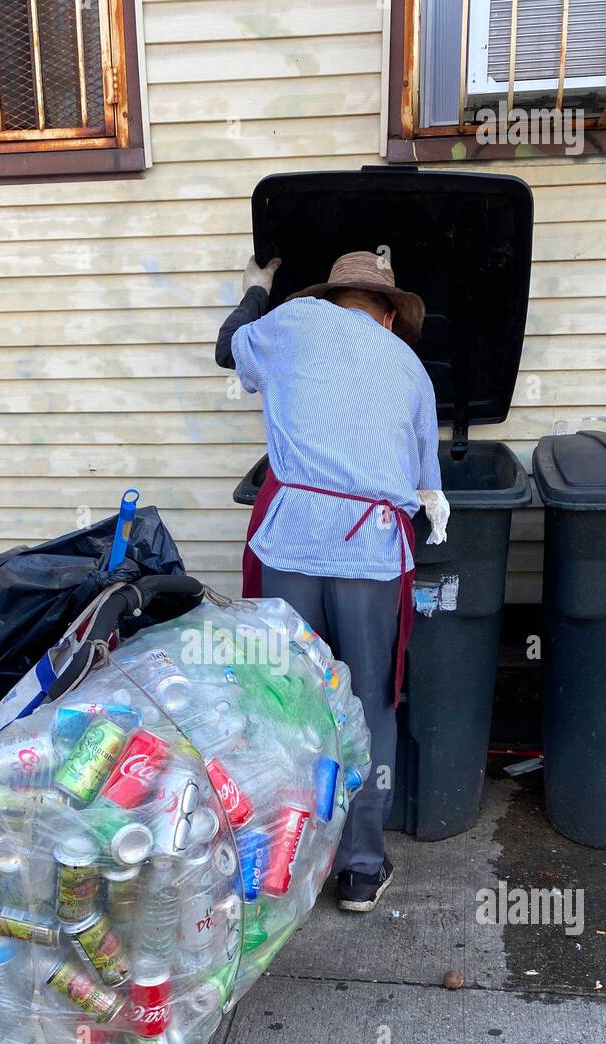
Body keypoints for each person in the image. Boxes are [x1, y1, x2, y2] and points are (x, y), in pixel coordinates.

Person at [216, 250, 442, 912]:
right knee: (370, 700)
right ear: (392, 316)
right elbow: (424, 485)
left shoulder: (291, 322)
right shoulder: (411, 369)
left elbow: (229, 347)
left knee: (286, 697)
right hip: (372, 552)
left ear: (331, 296)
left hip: (290, 541)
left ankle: (281, 862)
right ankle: (361, 869)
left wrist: (256, 288)